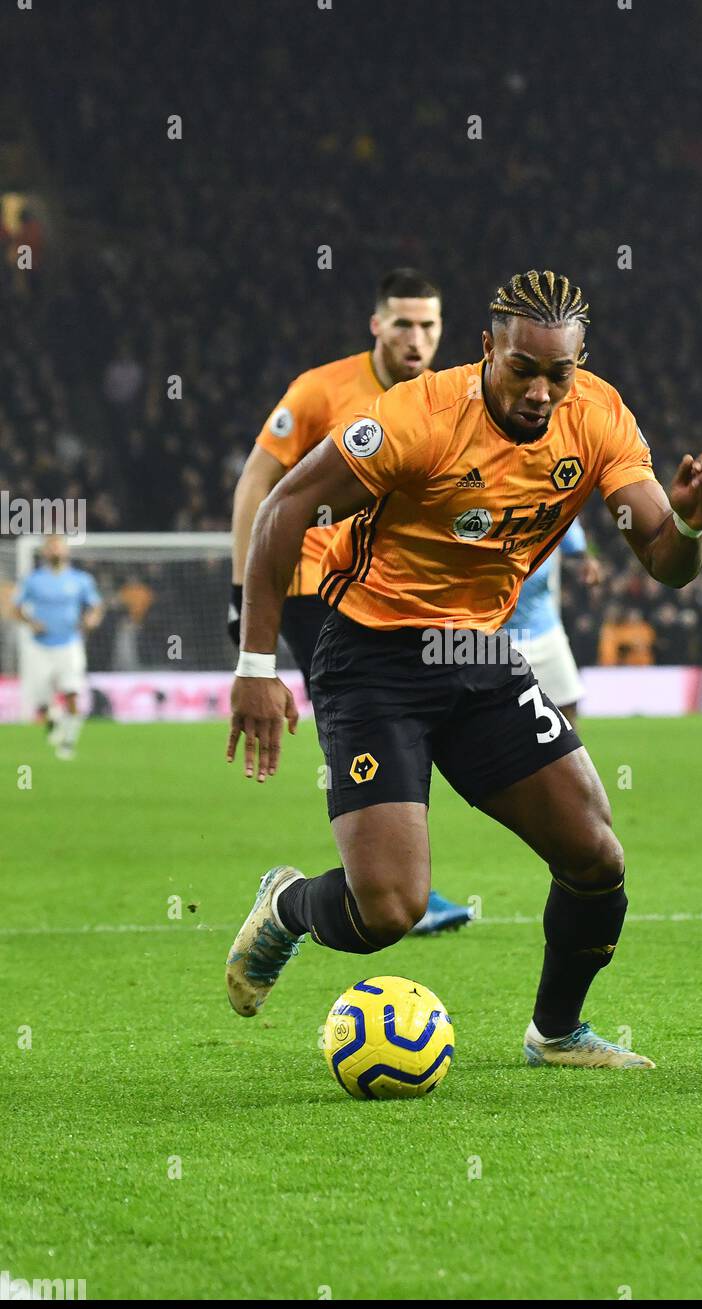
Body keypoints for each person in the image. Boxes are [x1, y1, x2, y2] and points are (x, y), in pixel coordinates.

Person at [225, 268, 702, 1070]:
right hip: (373, 656)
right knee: (391, 908)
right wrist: (256, 666)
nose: (540, 392)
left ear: (580, 363)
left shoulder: (597, 417)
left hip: (475, 652)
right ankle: (287, 906)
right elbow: (284, 507)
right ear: (486, 348)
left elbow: (664, 559)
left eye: (558, 373)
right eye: (522, 369)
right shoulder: (413, 418)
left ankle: (555, 1034)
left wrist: (691, 527)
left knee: (596, 856)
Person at [229, 266, 470, 936]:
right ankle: (378, 884)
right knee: (363, 725)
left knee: (410, 727)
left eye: (427, 324)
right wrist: (239, 585)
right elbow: (257, 481)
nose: (416, 337)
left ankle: (390, 876)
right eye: (402, 323)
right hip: (315, 588)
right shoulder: (321, 389)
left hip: (397, 594)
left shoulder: (446, 400)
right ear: (376, 325)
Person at [502, 518, 600, 726]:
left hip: (542, 624)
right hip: (494, 631)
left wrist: (584, 557)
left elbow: (568, 521)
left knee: (567, 706)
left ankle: (567, 756)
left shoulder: (549, 501)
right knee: (496, 716)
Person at [13, 534, 103, 759]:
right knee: (42, 703)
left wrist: (92, 619)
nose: (55, 551)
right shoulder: (33, 580)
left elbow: (95, 606)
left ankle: (69, 742)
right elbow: (15, 608)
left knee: (72, 692)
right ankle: (53, 717)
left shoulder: (80, 579)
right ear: (44, 552)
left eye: (58, 547)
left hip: (69, 644)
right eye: (51, 547)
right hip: (39, 647)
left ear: (66, 551)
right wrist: (30, 622)